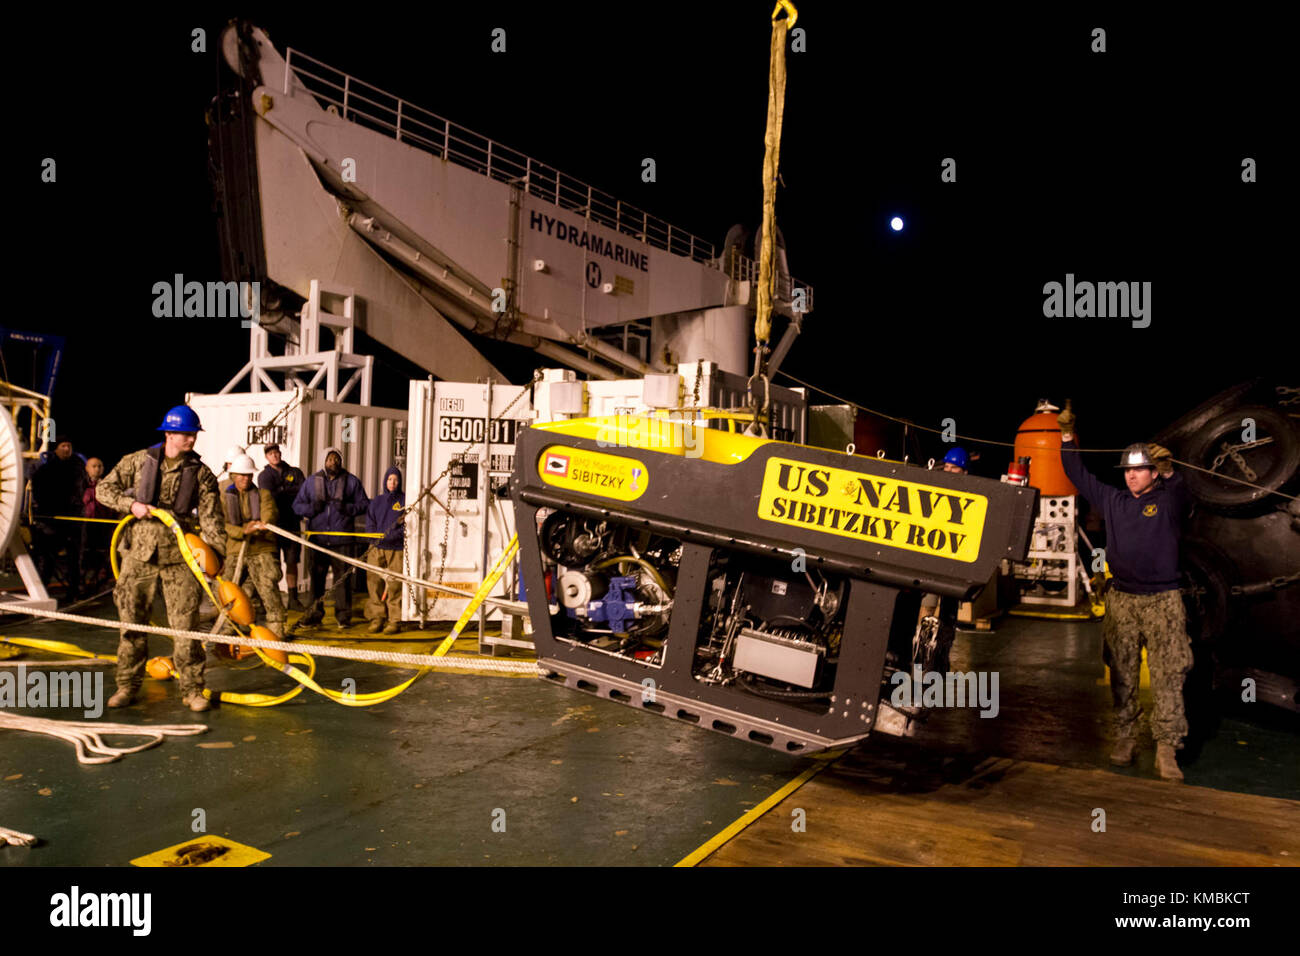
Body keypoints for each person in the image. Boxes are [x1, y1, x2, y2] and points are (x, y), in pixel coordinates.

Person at [1057, 403, 1190, 782]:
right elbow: (1077, 474)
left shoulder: (1168, 501)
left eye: (1139, 469)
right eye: (1128, 470)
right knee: (1122, 672)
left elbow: (1180, 490)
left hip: (1164, 599)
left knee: (1168, 673)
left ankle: (1166, 748)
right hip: (1122, 600)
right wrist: (1067, 437)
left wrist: (1167, 470)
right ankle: (1126, 737)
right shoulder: (1113, 502)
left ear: (1152, 473)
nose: (1132, 476)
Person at [96, 405, 225, 712]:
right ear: (169, 434)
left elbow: (212, 522)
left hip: (180, 557)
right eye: (186, 434)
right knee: (131, 622)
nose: (192, 440)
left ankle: (193, 689)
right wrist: (130, 505)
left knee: (186, 626)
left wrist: (216, 563)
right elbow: (104, 489)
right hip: (139, 554)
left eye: (194, 434)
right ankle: (127, 685)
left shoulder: (202, 475)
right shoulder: (140, 461)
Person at [293, 447, 368, 628]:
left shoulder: (351, 481)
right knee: (316, 580)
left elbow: (364, 504)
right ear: (323, 461)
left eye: (336, 459)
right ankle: (314, 615)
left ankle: (343, 617)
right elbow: (297, 506)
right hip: (318, 541)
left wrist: (348, 509)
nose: (333, 462)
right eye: (329, 459)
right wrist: (312, 509)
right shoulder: (311, 482)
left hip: (342, 541)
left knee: (342, 581)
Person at [914, 446, 972, 673]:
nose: (948, 471)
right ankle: (922, 657)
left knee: (948, 613)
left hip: (955, 563)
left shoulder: (971, 496)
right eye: (946, 466)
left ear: (964, 472)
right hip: (934, 561)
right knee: (927, 608)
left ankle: (941, 658)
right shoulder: (936, 489)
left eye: (954, 468)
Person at [222, 455, 286, 641]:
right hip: (235, 548)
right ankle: (229, 625)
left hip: (262, 547)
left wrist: (262, 524)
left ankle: (276, 628)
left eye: (249, 475)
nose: (246, 479)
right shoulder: (224, 496)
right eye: (241, 475)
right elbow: (222, 523)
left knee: (268, 586)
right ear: (234, 475)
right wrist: (243, 530)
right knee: (229, 588)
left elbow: (269, 512)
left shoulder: (263, 495)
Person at [30, 435, 86, 602]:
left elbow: (80, 490)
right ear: (57, 448)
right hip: (51, 520)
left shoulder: (77, 467)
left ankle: (73, 591)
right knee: (47, 558)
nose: (67, 449)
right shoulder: (46, 469)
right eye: (63, 446)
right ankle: (41, 591)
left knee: (74, 558)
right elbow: (38, 490)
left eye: (69, 446)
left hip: (73, 520)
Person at [259, 443, 307, 610]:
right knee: (272, 565)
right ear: (266, 457)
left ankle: (293, 599)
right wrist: (288, 492)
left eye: (276, 452)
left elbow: (303, 492)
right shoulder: (264, 476)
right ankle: (270, 600)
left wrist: (281, 492)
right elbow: (269, 497)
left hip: (292, 524)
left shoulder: (295, 472)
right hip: (274, 527)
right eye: (270, 453)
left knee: (292, 561)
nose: (274, 456)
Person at [364, 465, 406, 634]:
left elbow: (407, 526)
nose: (392, 482)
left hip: (396, 549)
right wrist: (374, 537)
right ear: (385, 481)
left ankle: (394, 620)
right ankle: (377, 617)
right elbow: (370, 523)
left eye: (395, 479)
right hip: (376, 548)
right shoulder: (377, 502)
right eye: (389, 479)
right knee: (374, 583)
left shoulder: (404, 501)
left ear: (400, 482)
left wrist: (392, 536)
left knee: (395, 585)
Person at [80, 457, 116, 592]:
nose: (97, 469)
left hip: (104, 525)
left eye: (100, 466)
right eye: (94, 466)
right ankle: (81, 583)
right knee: (84, 555)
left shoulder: (108, 485)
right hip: (85, 526)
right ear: (87, 468)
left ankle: (100, 582)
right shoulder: (81, 485)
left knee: (104, 555)